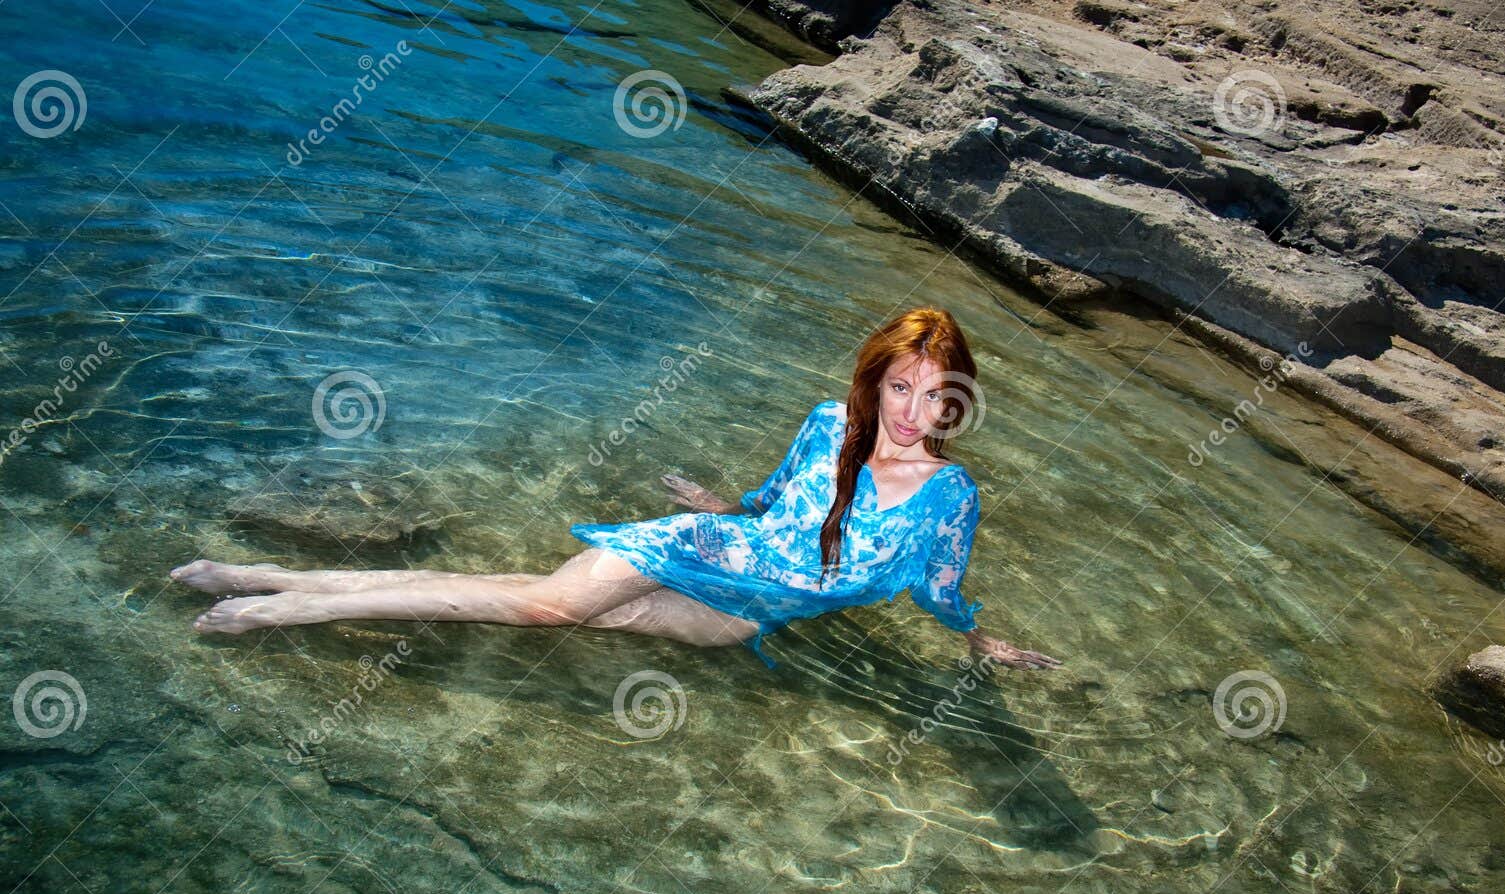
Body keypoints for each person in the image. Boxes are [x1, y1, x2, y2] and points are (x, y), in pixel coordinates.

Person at [172, 307, 1060, 671]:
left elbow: (939, 587)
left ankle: (271, 574)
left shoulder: (949, 495)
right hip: (697, 545)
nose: (910, 411)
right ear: (873, 380)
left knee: (532, 599)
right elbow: (770, 501)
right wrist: (715, 507)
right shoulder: (830, 422)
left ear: (956, 400)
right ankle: (290, 607)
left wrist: (980, 640)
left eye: (932, 395)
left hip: (738, 614)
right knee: (545, 607)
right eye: (897, 386)